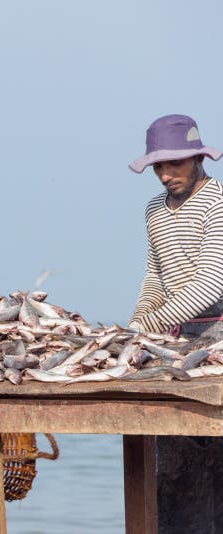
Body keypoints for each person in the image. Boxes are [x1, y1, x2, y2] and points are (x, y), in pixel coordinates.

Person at [128, 113, 223, 532]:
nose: (166, 175)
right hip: (173, 339)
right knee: (172, 451)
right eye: (158, 167)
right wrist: (135, 323)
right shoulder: (153, 209)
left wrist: (149, 325)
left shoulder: (217, 204)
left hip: (217, 334)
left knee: (212, 447)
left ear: (198, 158)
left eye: (175, 164)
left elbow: (209, 283)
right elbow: (155, 275)